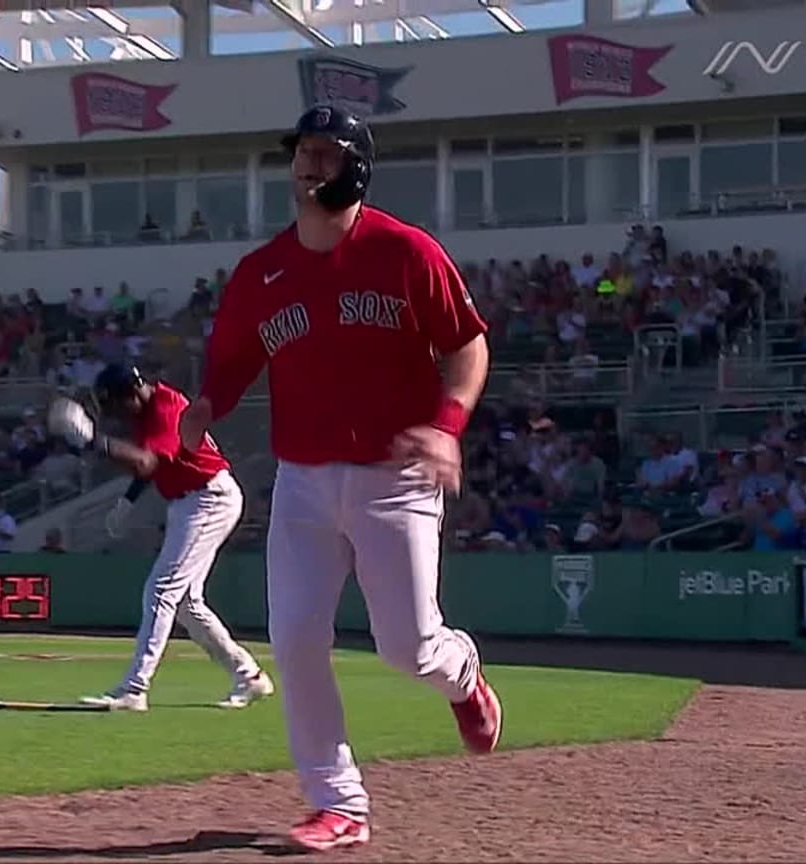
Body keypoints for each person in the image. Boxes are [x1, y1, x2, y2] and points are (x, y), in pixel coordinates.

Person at [175, 104, 503, 852]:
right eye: (302, 153)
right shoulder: (263, 272)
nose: (308, 165)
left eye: (325, 153)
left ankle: (463, 676)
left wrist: (448, 429)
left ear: (356, 165)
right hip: (304, 479)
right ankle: (338, 801)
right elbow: (231, 359)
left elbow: (467, 346)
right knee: (292, 638)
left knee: (409, 648)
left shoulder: (406, 252)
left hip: (396, 475)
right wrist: (206, 405)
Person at [45, 363, 274, 712]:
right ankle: (250, 677)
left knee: (161, 591)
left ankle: (134, 689)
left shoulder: (166, 409)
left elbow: (145, 463)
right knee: (186, 604)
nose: (117, 416)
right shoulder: (147, 412)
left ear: (134, 393)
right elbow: (155, 466)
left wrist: (93, 441)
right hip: (191, 499)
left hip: (209, 498)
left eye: (117, 406)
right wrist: (127, 502)